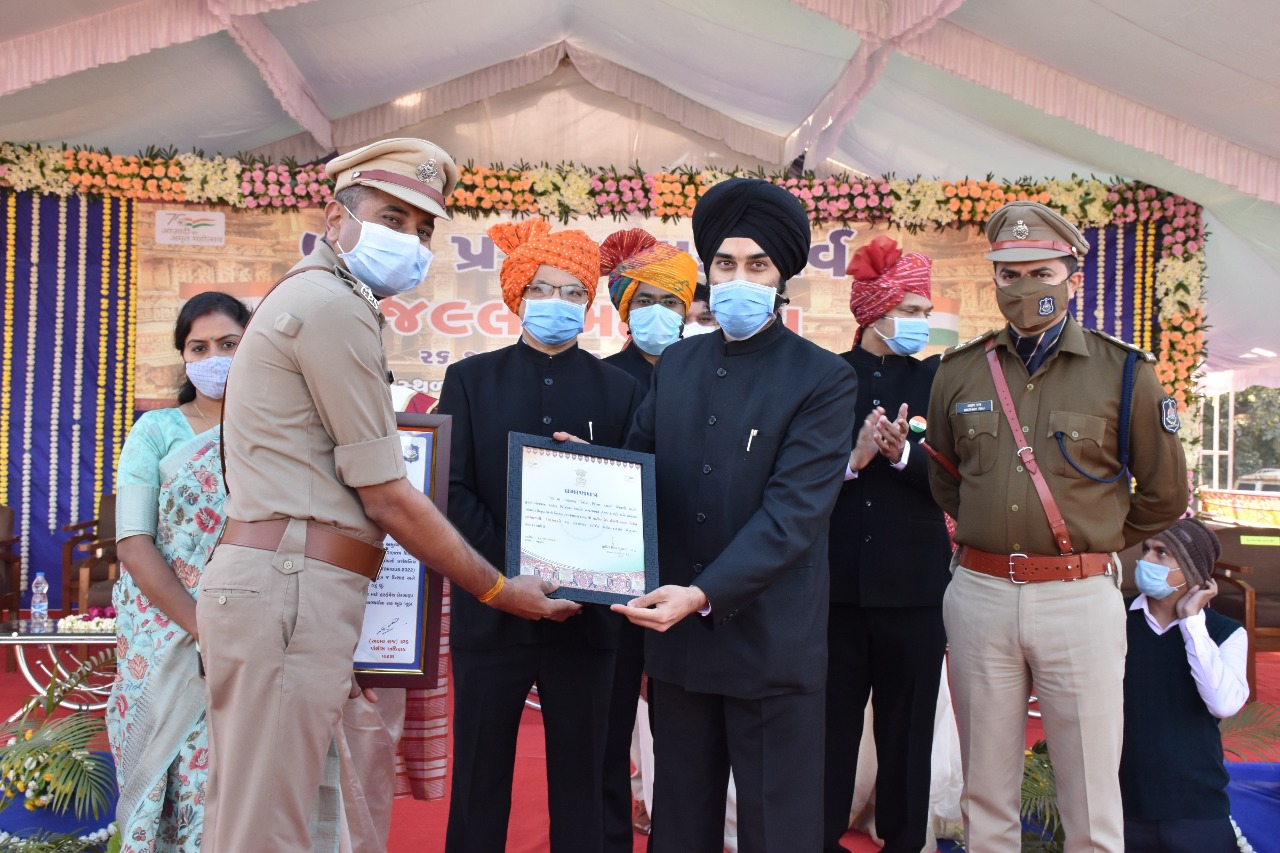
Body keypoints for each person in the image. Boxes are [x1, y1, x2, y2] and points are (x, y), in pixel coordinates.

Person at [195, 138, 577, 853]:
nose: (410, 241)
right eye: (393, 218)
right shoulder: (333, 306)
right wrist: (497, 588)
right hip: (291, 584)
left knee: (268, 812)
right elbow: (387, 495)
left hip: (291, 580)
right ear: (334, 217)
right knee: (264, 829)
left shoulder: (317, 298)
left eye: (425, 229)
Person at [925, 201, 1189, 852]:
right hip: (981, 594)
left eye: (1039, 271)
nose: (1023, 289)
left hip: (1079, 597)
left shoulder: (1124, 371)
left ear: (1071, 273)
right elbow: (944, 478)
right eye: (1008, 275)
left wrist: (1088, 536)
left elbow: (1165, 492)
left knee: (1092, 798)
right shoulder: (959, 372)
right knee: (985, 795)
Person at [612, 177, 858, 852]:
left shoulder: (823, 377)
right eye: (724, 263)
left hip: (772, 646)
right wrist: (584, 477)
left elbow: (793, 515)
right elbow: (640, 471)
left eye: (757, 265)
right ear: (707, 270)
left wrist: (700, 594)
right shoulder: (680, 362)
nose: (738, 278)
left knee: (779, 831)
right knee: (679, 827)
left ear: (782, 277)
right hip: (681, 648)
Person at [437, 216, 644, 853]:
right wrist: (509, 575)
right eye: (545, 290)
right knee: (479, 773)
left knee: (585, 775)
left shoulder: (622, 389)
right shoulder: (470, 380)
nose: (559, 304)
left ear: (590, 304)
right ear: (518, 294)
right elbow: (452, 490)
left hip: (587, 614)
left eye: (574, 293)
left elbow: (632, 498)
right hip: (492, 604)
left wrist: (597, 469)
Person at [108, 291, 249, 853]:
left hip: (253, 630)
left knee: (238, 789)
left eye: (229, 343)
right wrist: (201, 627)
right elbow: (134, 543)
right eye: (200, 346)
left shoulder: (280, 429)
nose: (215, 355)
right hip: (166, 634)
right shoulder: (156, 431)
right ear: (184, 358)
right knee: (169, 783)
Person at [823, 237, 952, 853]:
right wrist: (855, 459)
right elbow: (794, 483)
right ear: (874, 308)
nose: (922, 322)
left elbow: (960, 483)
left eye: (926, 311)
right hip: (835, 596)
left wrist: (903, 458)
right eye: (912, 308)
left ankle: (904, 843)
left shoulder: (940, 383)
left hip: (916, 596)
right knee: (827, 736)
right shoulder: (826, 379)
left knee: (908, 740)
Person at [596, 227, 697, 852]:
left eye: (672, 301)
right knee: (608, 731)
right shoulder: (600, 380)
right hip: (612, 580)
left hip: (689, 582)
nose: (659, 314)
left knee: (685, 733)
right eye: (646, 301)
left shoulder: (705, 376)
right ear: (624, 305)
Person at [1121, 517, 1247, 852]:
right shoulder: (1114, 619)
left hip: (1196, 805)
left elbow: (1223, 704)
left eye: (1162, 553)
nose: (1145, 560)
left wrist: (1192, 622)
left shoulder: (1226, 632)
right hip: (1122, 803)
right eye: (1146, 549)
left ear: (1192, 569)